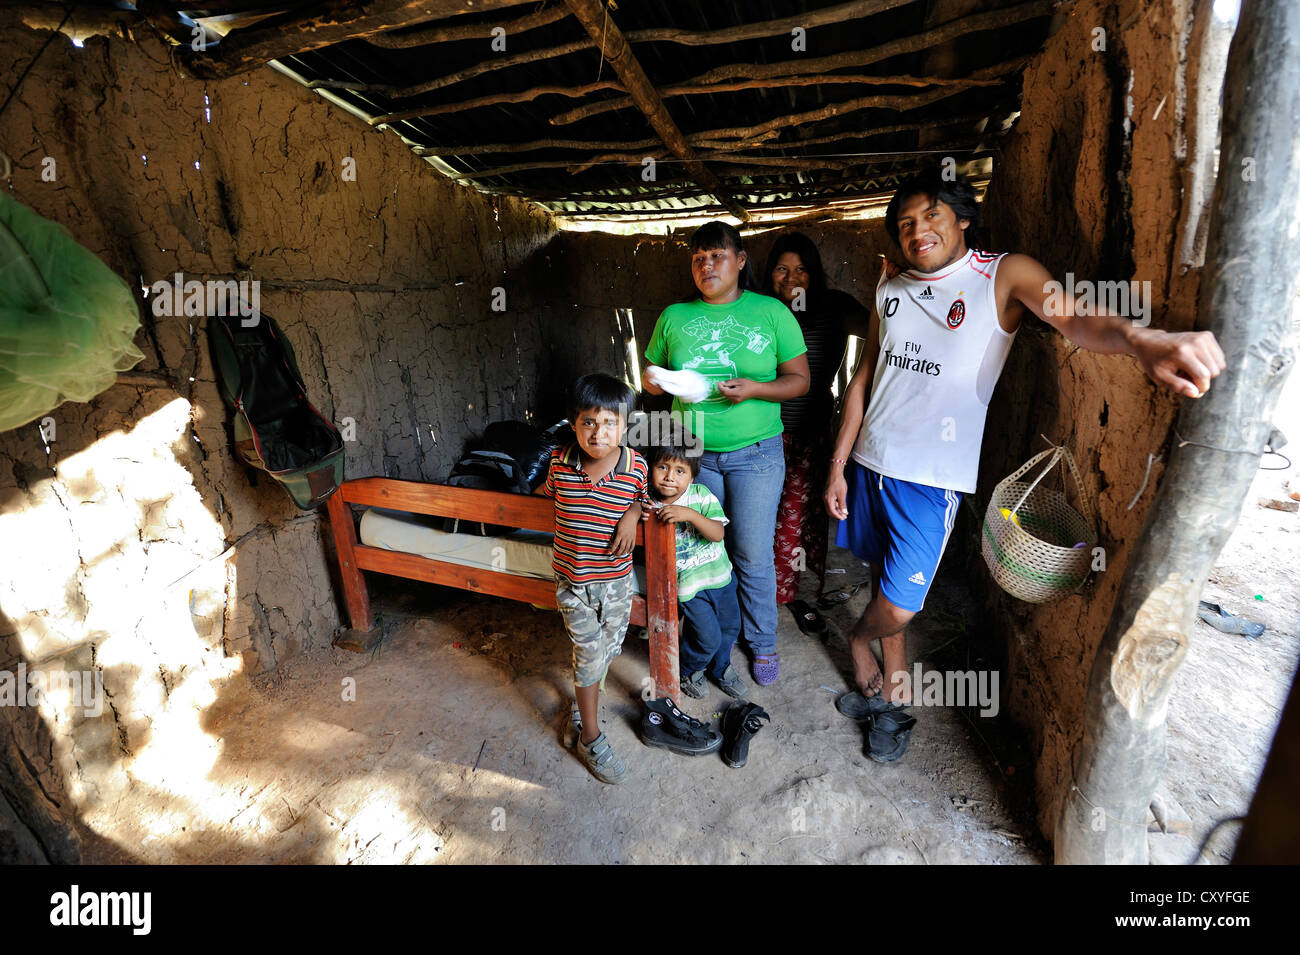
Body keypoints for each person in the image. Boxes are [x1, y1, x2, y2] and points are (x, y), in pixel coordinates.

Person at [825, 169, 1226, 763]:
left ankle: (863, 637)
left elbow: (1075, 315)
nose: (918, 230)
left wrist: (1142, 339)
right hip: (868, 459)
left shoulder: (1002, 274)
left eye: (931, 215)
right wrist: (838, 464)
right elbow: (867, 375)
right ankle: (895, 671)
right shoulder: (892, 287)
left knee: (902, 601)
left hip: (931, 478)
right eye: (906, 223)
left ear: (962, 218)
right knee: (883, 567)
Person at [643, 221, 810, 686]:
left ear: (739, 261)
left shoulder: (772, 312)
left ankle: (761, 642)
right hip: (692, 457)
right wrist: (658, 381)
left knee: (751, 552)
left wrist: (755, 388)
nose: (707, 265)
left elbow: (800, 381)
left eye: (717, 256)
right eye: (698, 258)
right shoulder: (675, 316)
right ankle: (710, 638)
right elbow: (649, 377)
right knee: (698, 549)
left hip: (756, 453)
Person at [538, 373, 647, 783]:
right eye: (588, 422)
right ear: (573, 425)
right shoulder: (559, 463)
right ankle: (592, 737)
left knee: (607, 650)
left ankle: (580, 711)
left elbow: (644, 498)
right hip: (573, 585)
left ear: (625, 426)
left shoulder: (635, 466)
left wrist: (634, 515)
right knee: (589, 656)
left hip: (617, 585)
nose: (598, 433)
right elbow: (544, 495)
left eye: (610, 423)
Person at [761, 232, 871, 633]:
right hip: (763, 430)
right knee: (774, 516)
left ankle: (798, 590)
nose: (791, 278)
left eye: (801, 269)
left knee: (804, 516)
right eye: (782, 269)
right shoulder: (759, 309)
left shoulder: (834, 306)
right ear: (768, 273)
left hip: (812, 429)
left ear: (815, 273)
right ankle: (775, 597)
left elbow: (885, 326)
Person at [643, 425, 748, 701]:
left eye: (680, 471)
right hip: (689, 588)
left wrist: (689, 514)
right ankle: (690, 670)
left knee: (729, 629)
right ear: (650, 468)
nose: (669, 477)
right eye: (662, 467)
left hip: (721, 578)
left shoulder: (700, 496)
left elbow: (717, 533)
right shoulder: (648, 505)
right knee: (706, 637)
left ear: (692, 474)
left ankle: (720, 667)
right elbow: (632, 511)